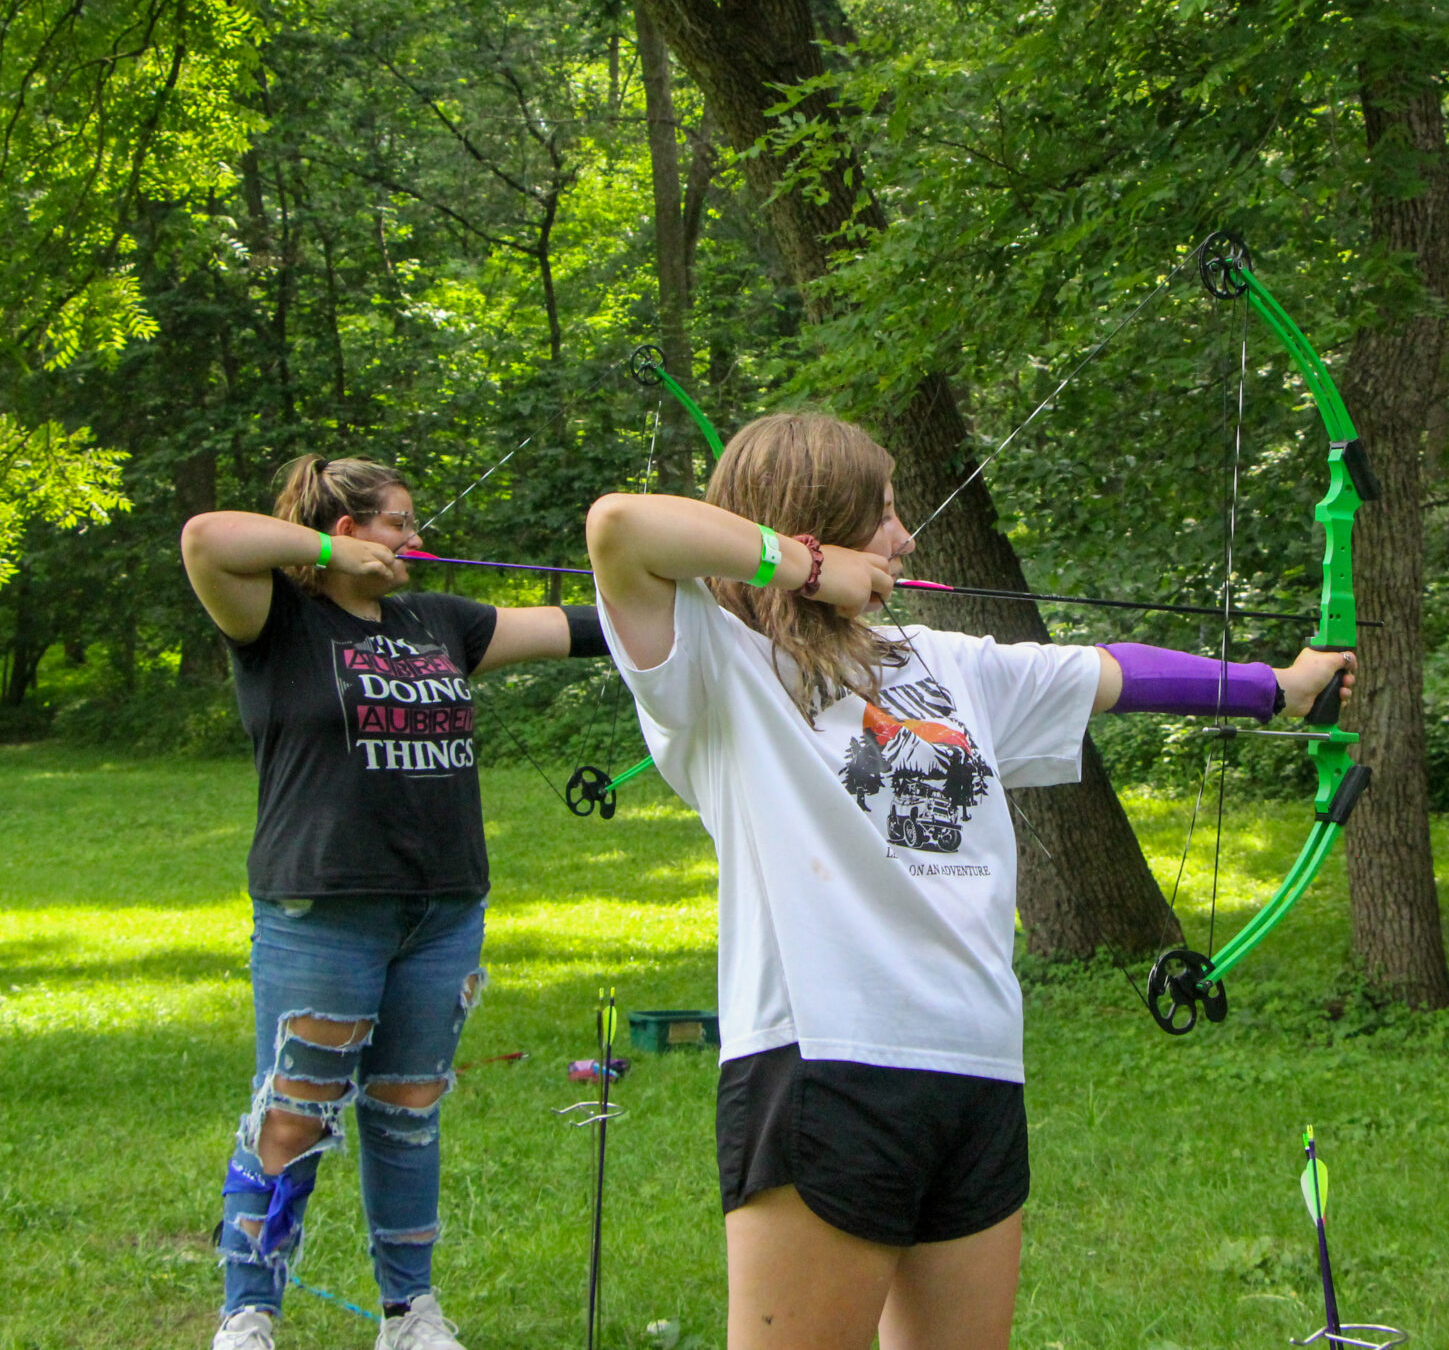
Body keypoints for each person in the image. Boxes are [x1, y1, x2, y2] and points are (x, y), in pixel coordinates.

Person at [585, 412, 1354, 1350]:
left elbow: (1120, 673)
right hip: (825, 1061)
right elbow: (621, 526)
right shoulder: (713, 669)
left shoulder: (944, 662)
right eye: (884, 511)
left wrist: (1282, 685)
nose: (906, 537)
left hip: (976, 1065)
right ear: (811, 523)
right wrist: (808, 569)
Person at [181, 456, 613, 1350]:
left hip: (442, 909)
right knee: (296, 1107)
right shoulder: (275, 619)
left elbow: (578, 626)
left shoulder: (440, 620)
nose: (415, 540)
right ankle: (248, 1311)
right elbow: (206, 539)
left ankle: (409, 1313)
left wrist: (716, 601)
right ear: (343, 531)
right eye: (397, 524)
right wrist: (325, 555)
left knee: (408, 1112)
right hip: (327, 905)